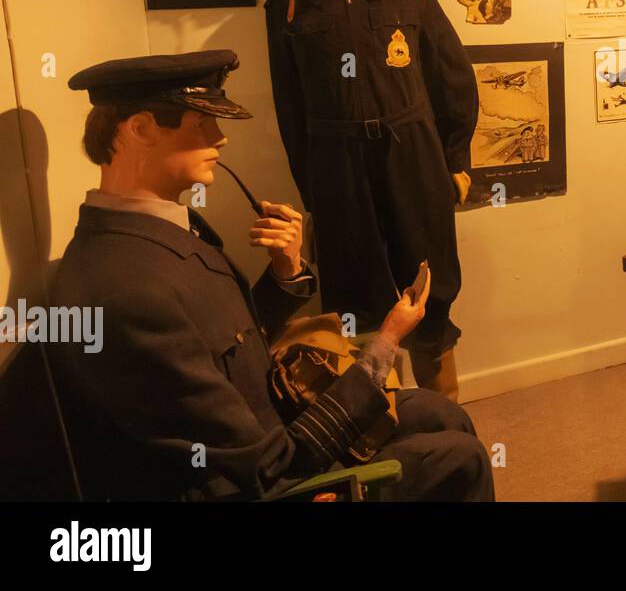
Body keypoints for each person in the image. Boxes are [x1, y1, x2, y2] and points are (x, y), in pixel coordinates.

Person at [49, 50, 493, 501]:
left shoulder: (153, 230)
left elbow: (225, 342)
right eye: (201, 123)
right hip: (269, 476)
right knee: (463, 457)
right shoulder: (124, 289)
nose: (220, 138)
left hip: (274, 419)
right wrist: (383, 346)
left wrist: (286, 271)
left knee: (441, 414)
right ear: (141, 129)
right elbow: (273, 464)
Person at [262, 0, 478, 398]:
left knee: (429, 279)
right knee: (354, 292)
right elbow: (289, 108)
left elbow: (455, 83)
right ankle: (377, 411)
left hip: (414, 159)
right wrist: (313, 188)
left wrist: (456, 160)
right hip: (337, 167)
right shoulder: (283, 12)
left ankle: (443, 409)